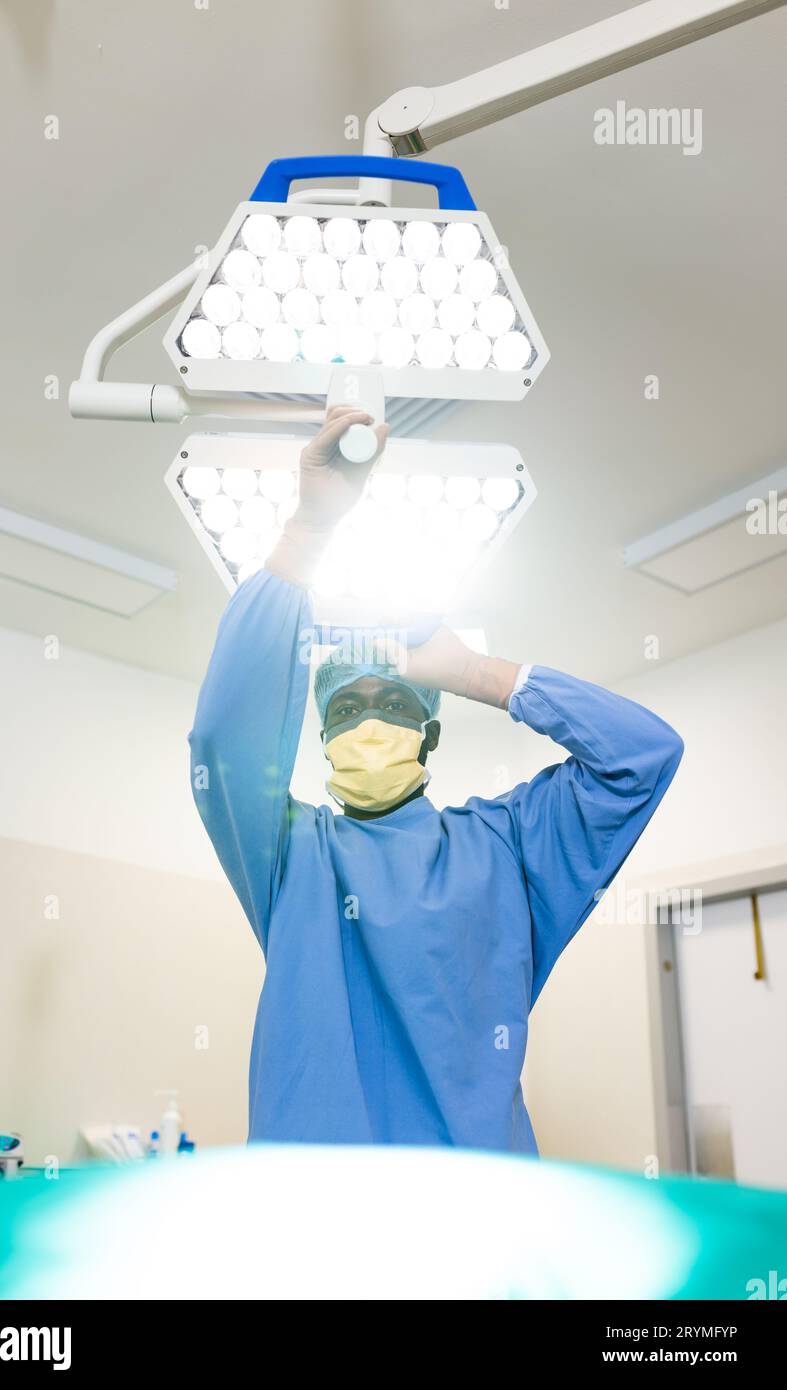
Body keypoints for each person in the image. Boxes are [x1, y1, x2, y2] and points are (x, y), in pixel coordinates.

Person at [189, 404, 683, 1151]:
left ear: (430, 730)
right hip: (314, 1216)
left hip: (478, 1216)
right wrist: (306, 531)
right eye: (347, 709)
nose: (369, 721)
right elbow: (223, 740)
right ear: (321, 736)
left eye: (392, 703)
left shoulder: (507, 846)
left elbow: (640, 756)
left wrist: (476, 672)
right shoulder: (289, 856)